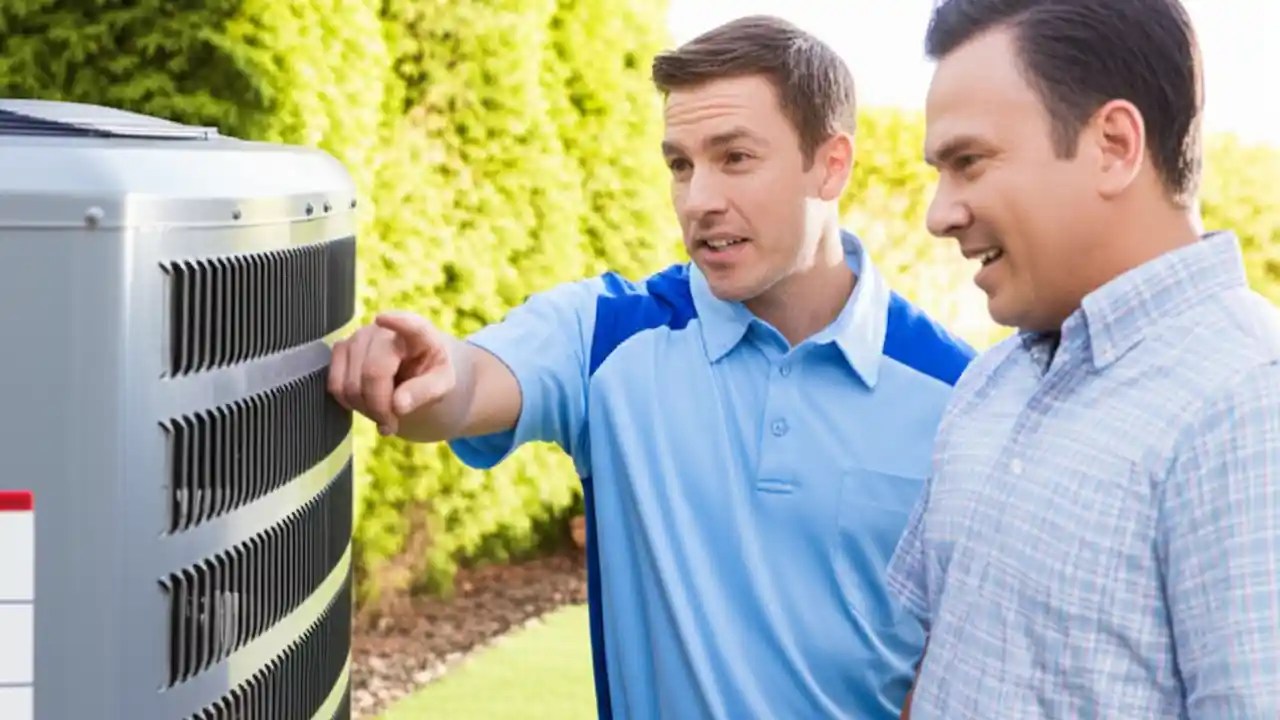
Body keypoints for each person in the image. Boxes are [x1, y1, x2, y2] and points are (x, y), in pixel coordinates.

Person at [330, 14, 974, 720]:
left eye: (734, 158)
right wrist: (427, 372)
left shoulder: (961, 397)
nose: (698, 199)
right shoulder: (606, 334)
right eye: (680, 164)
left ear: (831, 164)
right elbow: (469, 383)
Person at [888, 0, 1280, 717]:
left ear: (1114, 145)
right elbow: (935, 659)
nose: (938, 214)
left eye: (969, 162)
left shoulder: (1250, 408)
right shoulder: (989, 382)